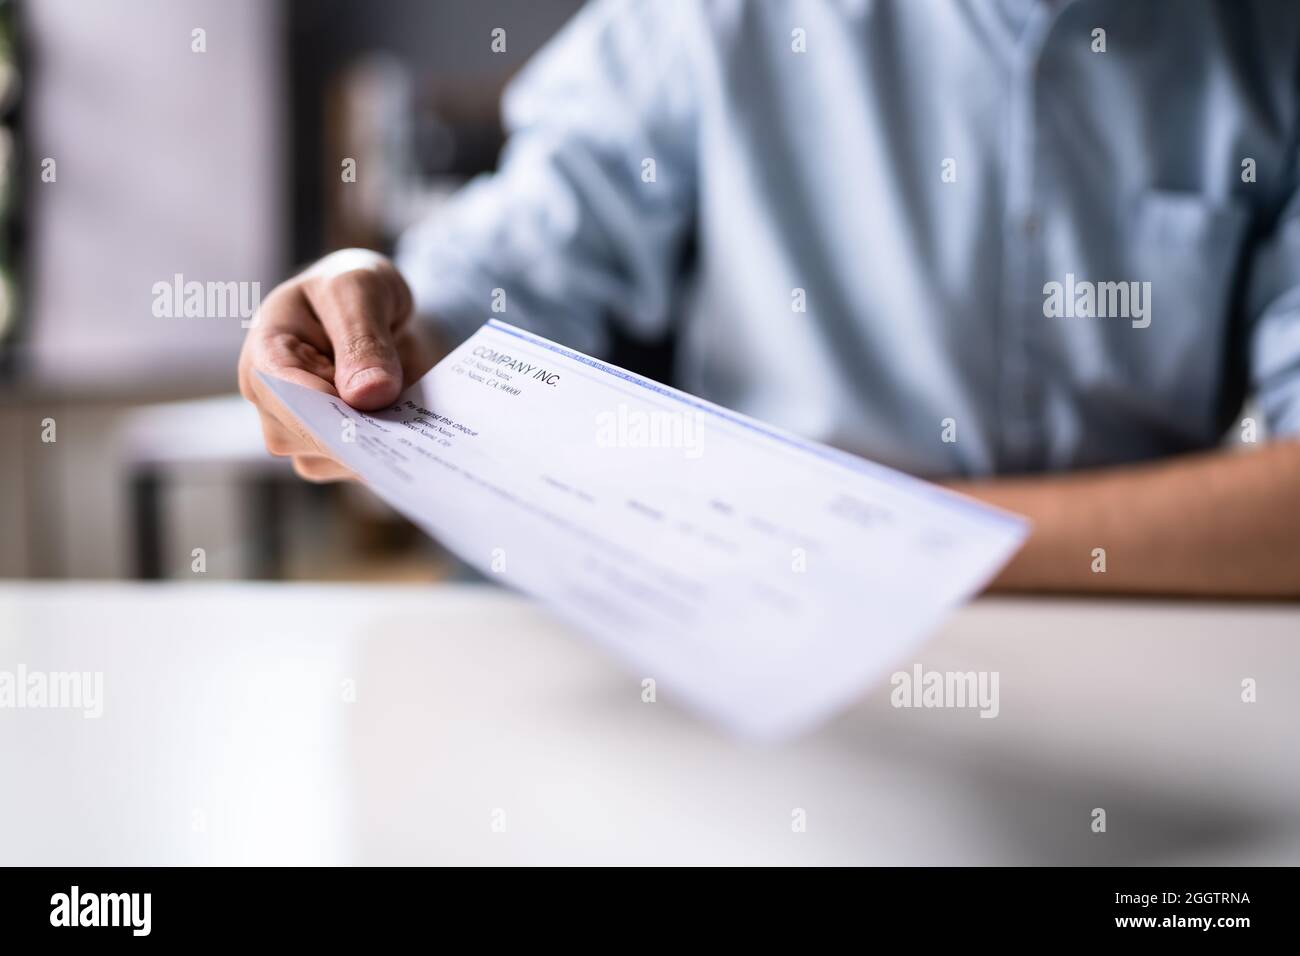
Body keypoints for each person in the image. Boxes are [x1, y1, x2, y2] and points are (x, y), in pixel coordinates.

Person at [238, 0, 1300, 596]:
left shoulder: (1267, 46)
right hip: (754, 653)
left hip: (1143, 671)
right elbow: (497, 279)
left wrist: (885, 542)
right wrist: (369, 329)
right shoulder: (710, 22)